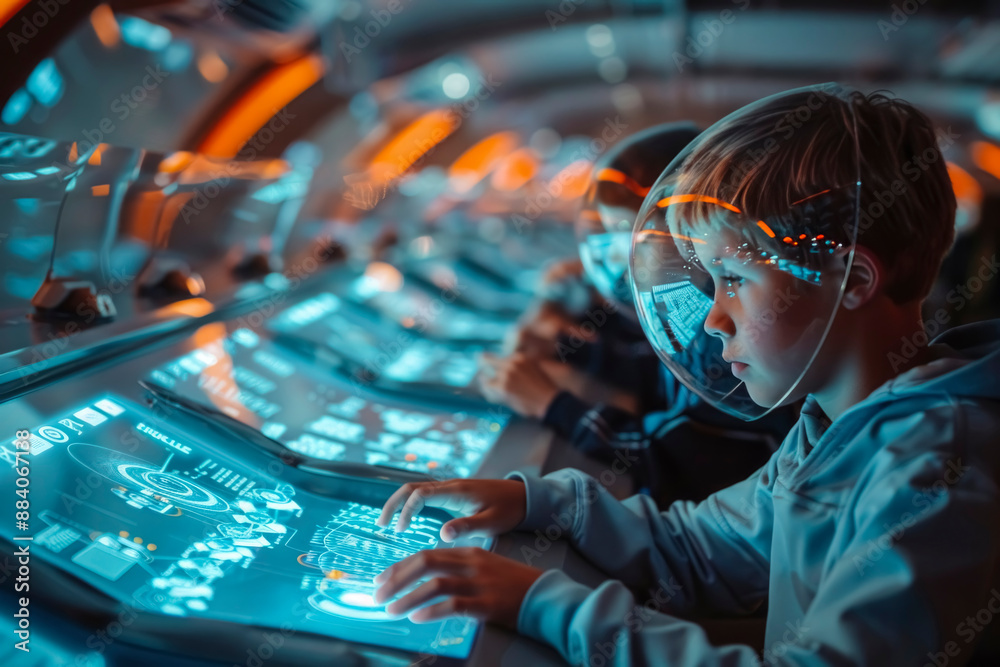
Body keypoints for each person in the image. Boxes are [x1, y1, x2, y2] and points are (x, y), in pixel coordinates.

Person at [371, 84, 1000, 666]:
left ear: (854, 281)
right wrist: (537, 501)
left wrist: (544, 605)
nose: (712, 320)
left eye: (733, 280)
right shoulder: (833, 424)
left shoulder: (936, 470)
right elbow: (703, 550)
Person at [479, 123, 799, 505]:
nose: (625, 264)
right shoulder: (696, 320)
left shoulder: (732, 340)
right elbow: (655, 369)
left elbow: (671, 461)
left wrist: (551, 404)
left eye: (633, 240)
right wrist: (572, 346)